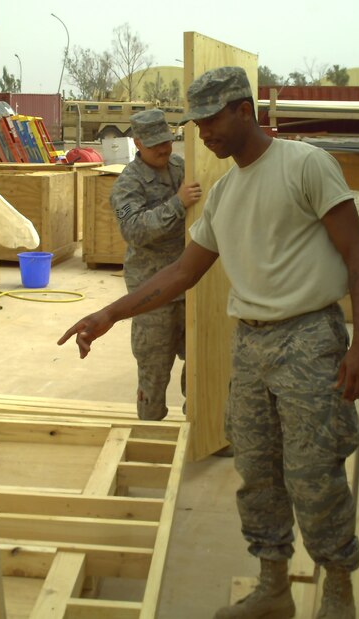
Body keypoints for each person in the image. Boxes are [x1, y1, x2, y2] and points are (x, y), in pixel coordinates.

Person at [59, 67, 359, 619]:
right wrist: (109, 313)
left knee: (314, 473)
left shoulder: (305, 165)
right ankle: (274, 587)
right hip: (250, 346)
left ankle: (338, 592)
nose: (203, 134)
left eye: (211, 121)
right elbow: (183, 272)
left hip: (308, 340)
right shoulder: (226, 193)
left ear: (243, 110)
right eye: (197, 124)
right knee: (256, 472)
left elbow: (358, 252)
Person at [109, 108, 201, 420]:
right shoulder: (127, 183)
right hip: (153, 294)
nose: (164, 149)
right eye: (155, 144)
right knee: (154, 371)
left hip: (189, 285)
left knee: (199, 364)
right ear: (137, 143)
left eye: (166, 141)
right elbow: (134, 230)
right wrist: (178, 204)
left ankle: (196, 425)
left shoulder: (181, 167)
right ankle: (150, 429)